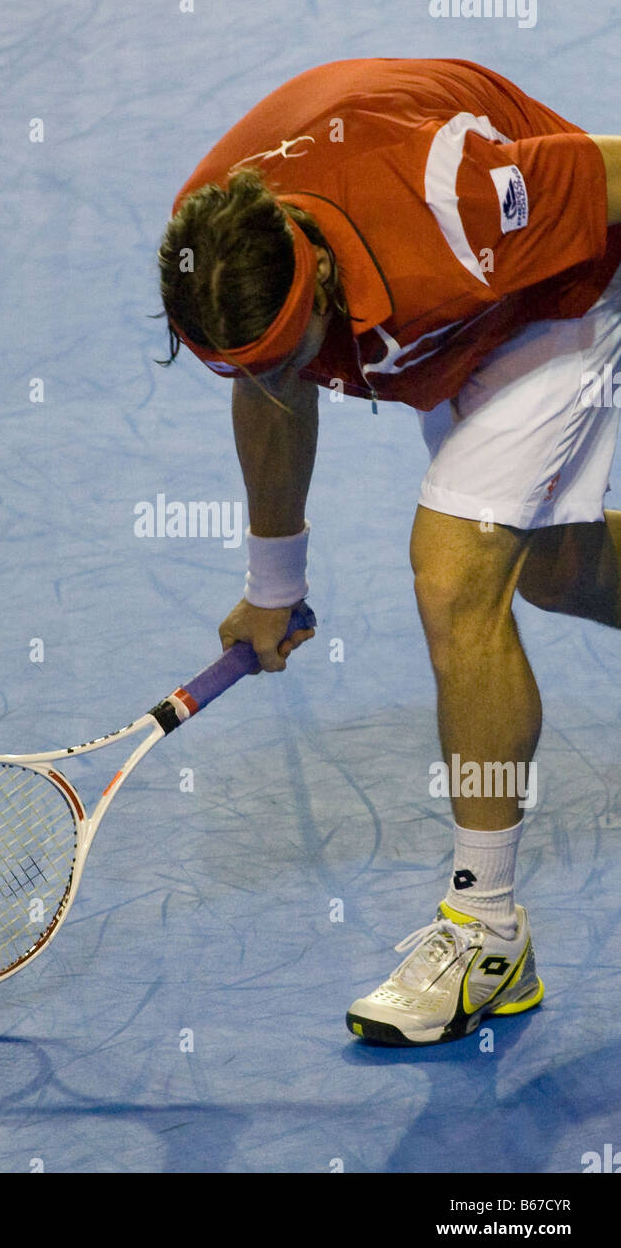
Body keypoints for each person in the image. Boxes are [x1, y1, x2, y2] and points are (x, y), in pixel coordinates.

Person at [156, 57, 621, 1046]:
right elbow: (268, 384)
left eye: (289, 352)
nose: (277, 377)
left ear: (318, 274)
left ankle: (484, 933)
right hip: (442, 329)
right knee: (558, 574)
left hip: (545, 295)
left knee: (455, 576)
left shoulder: (455, 201)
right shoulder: (217, 247)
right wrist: (273, 584)